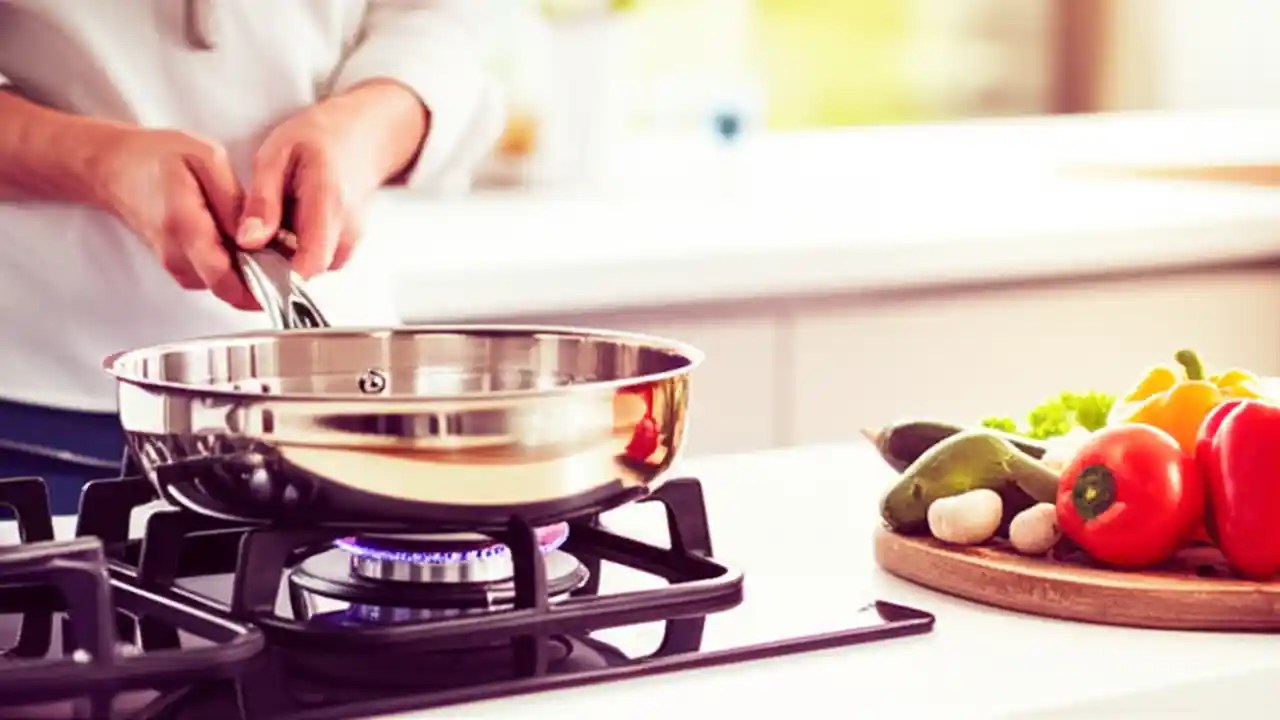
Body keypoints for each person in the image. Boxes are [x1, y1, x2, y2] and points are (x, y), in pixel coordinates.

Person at [0, 1, 504, 514]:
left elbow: (446, 18)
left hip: (344, 407)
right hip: (37, 411)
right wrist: (99, 162)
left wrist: (366, 131)